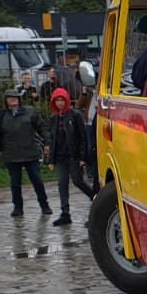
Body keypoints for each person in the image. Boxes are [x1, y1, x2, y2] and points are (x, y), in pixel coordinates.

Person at [0, 89, 52, 218]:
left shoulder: (30, 112)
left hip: (30, 152)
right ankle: (17, 207)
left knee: (37, 180)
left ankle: (44, 205)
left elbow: (42, 127)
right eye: (10, 97)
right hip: (11, 154)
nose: (13, 99)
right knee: (15, 183)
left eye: (15, 97)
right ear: (5, 100)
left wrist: (47, 143)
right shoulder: (0, 115)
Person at [46, 87, 94, 226]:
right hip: (60, 157)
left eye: (62, 100)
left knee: (78, 181)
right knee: (62, 183)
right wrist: (51, 159)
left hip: (74, 156)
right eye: (57, 100)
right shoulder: (54, 118)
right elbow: (52, 139)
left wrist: (83, 157)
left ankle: (95, 198)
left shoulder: (75, 115)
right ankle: (65, 213)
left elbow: (83, 137)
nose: (60, 103)